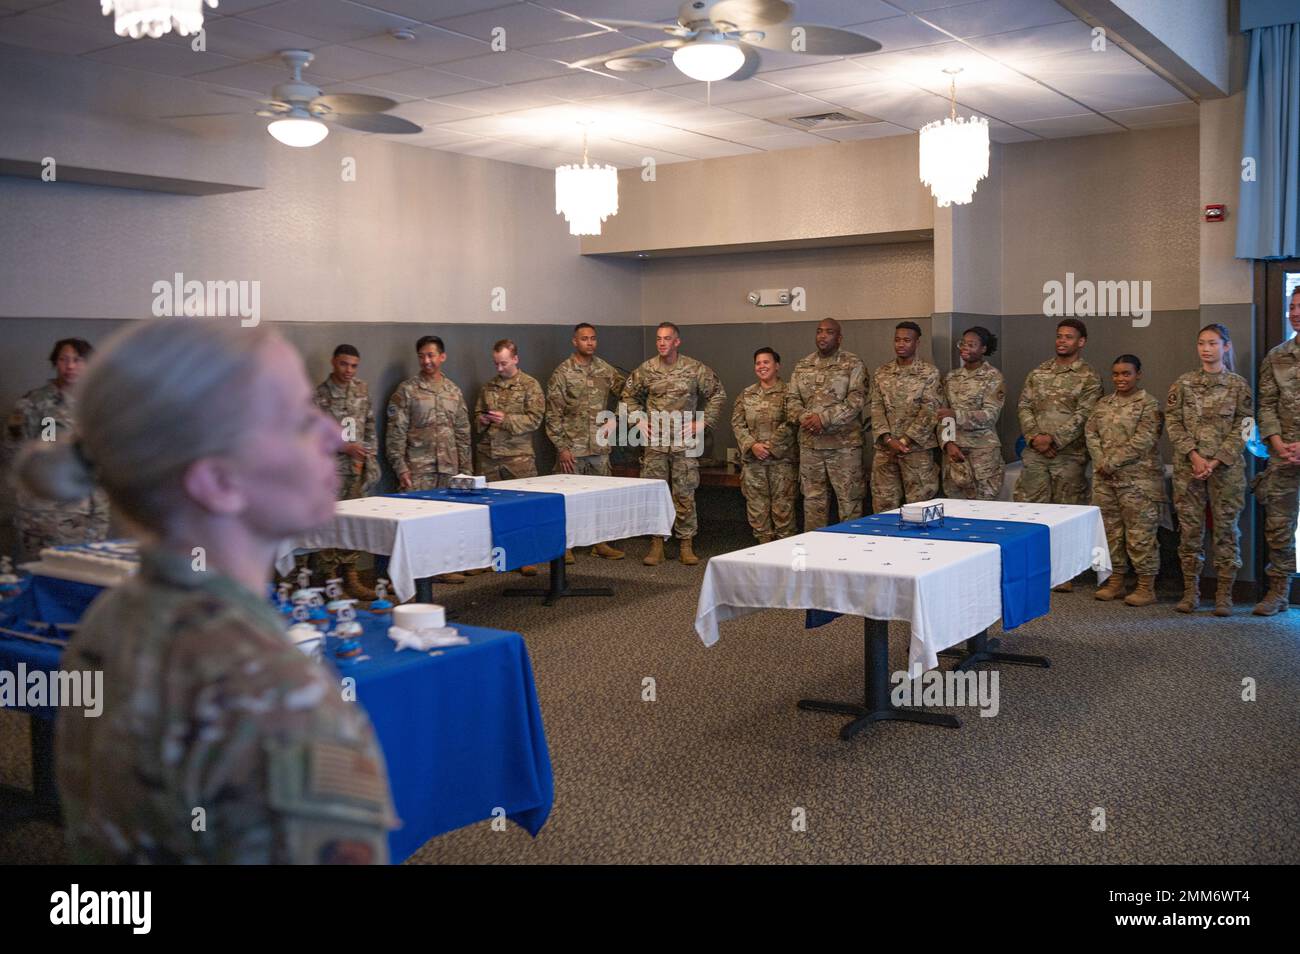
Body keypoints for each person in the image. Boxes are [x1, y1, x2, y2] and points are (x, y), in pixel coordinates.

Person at [17, 320, 395, 863]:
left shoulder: (114, 615)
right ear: (218, 482)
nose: (334, 435)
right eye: (295, 419)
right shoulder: (275, 694)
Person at [621, 322, 726, 566]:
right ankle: (657, 543)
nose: (661, 343)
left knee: (684, 492)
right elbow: (628, 396)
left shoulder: (693, 368)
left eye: (667, 338)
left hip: (684, 442)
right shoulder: (646, 370)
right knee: (655, 493)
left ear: (676, 342)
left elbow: (717, 394)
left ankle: (686, 544)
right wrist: (637, 419)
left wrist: (703, 422)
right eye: (658, 338)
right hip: (655, 442)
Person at [1165, 324, 1252, 615]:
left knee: (1226, 531)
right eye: (1201, 343)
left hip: (1225, 471)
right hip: (1189, 469)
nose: (1206, 348)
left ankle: (1224, 595)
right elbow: (1173, 422)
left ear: (1225, 347)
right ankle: (1191, 592)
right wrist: (1194, 455)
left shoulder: (1239, 386)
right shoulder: (1183, 383)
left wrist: (1215, 460)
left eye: (1213, 343)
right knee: (1190, 531)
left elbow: (1246, 428)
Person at [1015, 318, 1104, 591]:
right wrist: (1035, 438)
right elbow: (1024, 405)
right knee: (1031, 511)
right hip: (1036, 454)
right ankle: (1032, 567)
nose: (1062, 341)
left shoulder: (1089, 377)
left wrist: (1055, 440)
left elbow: (1085, 415)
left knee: (1066, 513)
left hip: (1069, 456)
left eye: (1068, 337)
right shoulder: (1038, 372)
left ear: (1081, 342)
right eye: (1059, 336)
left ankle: (1065, 573)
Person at [6, 338, 110, 561]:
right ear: (55, 363)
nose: (71, 366)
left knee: (86, 575)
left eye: (78, 360)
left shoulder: (99, 401)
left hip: (93, 508)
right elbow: (15, 451)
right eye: (64, 359)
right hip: (48, 512)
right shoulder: (37, 404)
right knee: (46, 572)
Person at [386, 335, 472, 584]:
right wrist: (400, 467)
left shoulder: (453, 391)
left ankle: (442, 567)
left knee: (445, 522)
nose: (426, 360)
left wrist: (465, 471)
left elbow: (463, 433)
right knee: (412, 523)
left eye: (431, 355)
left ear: (442, 357)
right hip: (417, 469)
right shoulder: (407, 391)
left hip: (448, 469)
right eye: (422, 356)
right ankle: (410, 575)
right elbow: (395, 434)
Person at [1085, 355, 1165, 607]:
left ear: (1138, 374)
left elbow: (1144, 440)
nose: (1121, 379)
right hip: (1105, 480)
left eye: (1127, 373)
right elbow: (1091, 432)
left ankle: (1145, 587)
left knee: (1140, 535)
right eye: (1117, 374)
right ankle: (1115, 581)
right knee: (1110, 533)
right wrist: (1100, 460)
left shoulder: (1148, 404)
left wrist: (1111, 463)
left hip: (1138, 481)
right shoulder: (1103, 404)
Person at [545, 322, 627, 562]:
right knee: (567, 498)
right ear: (574, 342)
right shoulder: (563, 373)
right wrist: (562, 448)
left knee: (600, 497)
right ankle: (566, 545)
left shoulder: (605, 369)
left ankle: (599, 542)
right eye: (584, 339)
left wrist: (616, 419)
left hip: (599, 446)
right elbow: (553, 414)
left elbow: (629, 395)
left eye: (593, 338)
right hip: (572, 447)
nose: (589, 343)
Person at [785, 318, 867, 529]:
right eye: (819, 331)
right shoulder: (803, 365)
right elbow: (791, 400)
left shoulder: (853, 363)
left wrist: (824, 419)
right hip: (811, 446)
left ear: (839, 338)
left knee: (849, 502)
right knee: (813, 502)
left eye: (829, 332)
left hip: (844, 447)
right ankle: (815, 553)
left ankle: (853, 552)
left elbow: (857, 400)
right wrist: (805, 418)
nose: (822, 336)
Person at [313, 344, 380, 599]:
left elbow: (370, 425)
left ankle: (351, 575)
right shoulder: (319, 396)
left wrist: (368, 455)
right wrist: (343, 446)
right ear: (333, 362)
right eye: (344, 364)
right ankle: (330, 579)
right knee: (329, 523)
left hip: (357, 469)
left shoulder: (361, 391)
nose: (349, 370)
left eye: (354, 365)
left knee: (353, 523)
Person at [475, 339, 545, 576]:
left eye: (503, 363)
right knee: (489, 510)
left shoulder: (530, 386)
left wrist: (505, 419)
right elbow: (476, 415)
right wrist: (482, 419)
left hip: (518, 457)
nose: (499, 368)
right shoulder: (488, 387)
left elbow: (535, 419)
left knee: (522, 509)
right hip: (489, 456)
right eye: (495, 363)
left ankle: (526, 557)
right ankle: (492, 557)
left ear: (515, 359)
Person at [1253, 286, 1300, 615]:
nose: (1295, 312)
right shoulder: (1277, 355)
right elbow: (1266, 404)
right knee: (1278, 525)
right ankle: (1279, 590)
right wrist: (1275, 439)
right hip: (1283, 455)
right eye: (1292, 306)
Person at [870, 321, 942, 513]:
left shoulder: (929, 373)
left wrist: (903, 441)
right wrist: (887, 439)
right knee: (884, 507)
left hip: (916, 450)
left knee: (919, 509)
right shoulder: (882, 372)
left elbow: (930, 411)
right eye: (897, 340)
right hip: (885, 450)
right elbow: (876, 408)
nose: (901, 344)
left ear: (917, 343)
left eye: (907, 340)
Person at [731, 347, 798, 544]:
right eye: (758, 363)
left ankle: (785, 561)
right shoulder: (746, 395)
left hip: (781, 464)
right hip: (754, 466)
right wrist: (752, 445)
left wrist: (771, 446)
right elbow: (737, 423)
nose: (762, 366)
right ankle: (764, 554)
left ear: (777, 366)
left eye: (766, 362)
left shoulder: (789, 393)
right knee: (758, 514)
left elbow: (793, 422)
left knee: (784, 513)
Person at [936, 327, 1005, 500]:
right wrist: (948, 443)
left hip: (982, 453)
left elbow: (990, 415)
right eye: (962, 344)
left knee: (984, 509)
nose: (964, 348)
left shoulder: (993, 377)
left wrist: (956, 415)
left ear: (983, 349)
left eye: (971, 344)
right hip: (955, 453)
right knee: (955, 508)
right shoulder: (951, 377)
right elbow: (943, 415)